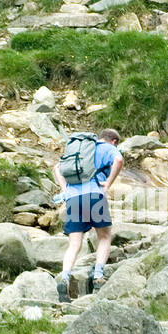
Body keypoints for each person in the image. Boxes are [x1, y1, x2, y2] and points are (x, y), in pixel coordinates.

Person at [52, 128, 123, 301]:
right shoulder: (108, 148)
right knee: (105, 237)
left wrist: (65, 190)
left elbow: (57, 168)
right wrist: (108, 184)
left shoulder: (82, 148)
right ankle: (98, 277)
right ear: (113, 141)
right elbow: (119, 160)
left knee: (74, 243)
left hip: (74, 199)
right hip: (94, 195)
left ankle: (65, 277)